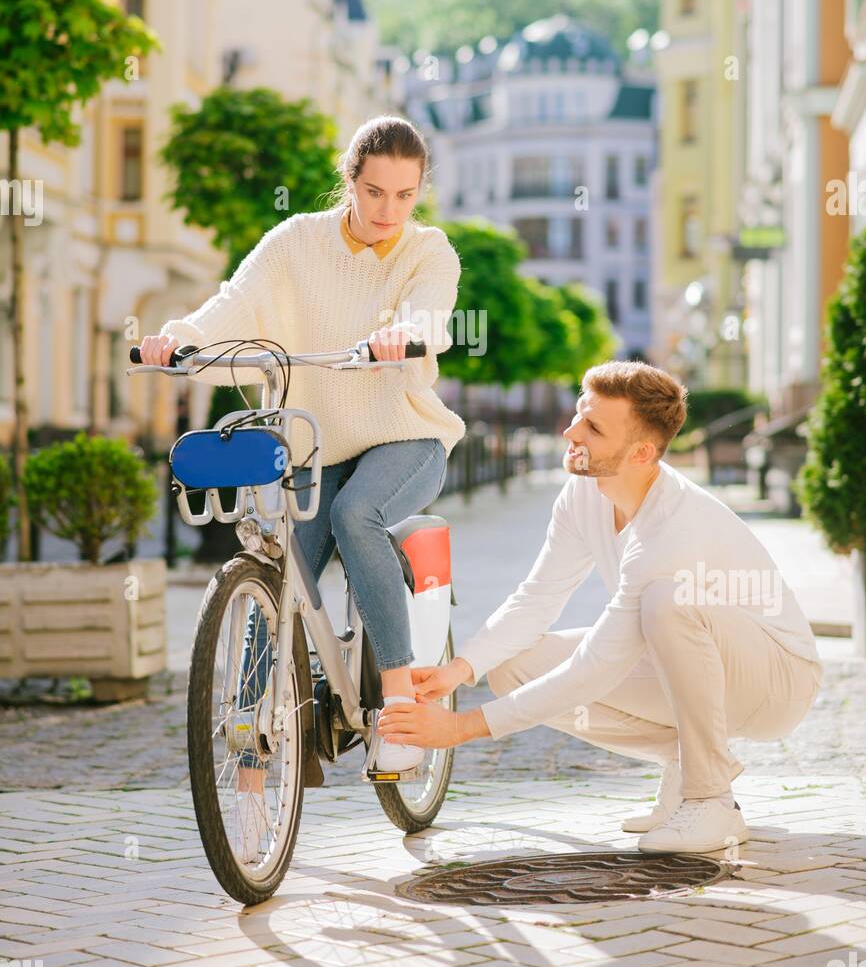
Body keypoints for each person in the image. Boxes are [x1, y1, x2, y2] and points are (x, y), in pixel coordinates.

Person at [140, 116, 465, 855]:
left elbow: (431, 314)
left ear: (419, 193)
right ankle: (253, 772)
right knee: (274, 574)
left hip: (403, 435)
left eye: (404, 195)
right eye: (374, 190)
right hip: (314, 444)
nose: (387, 209)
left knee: (357, 517)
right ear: (348, 179)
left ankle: (401, 711)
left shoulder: (426, 250)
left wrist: (404, 335)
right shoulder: (295, 242)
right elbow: (234, 302)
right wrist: (180, 336)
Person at [377, 360, 824, 855]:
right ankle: (689, 762)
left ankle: (710, 798)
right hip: (698, 661)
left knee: (666, 601)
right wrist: (461, 669)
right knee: (510, 666)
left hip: (778, 679)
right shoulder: (583, 494)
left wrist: (461, 729)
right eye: (577, 414)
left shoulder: (673, 528)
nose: (571, 431)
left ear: (642, 453)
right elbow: (539, 596)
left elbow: (596, 668)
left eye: (593, 427)